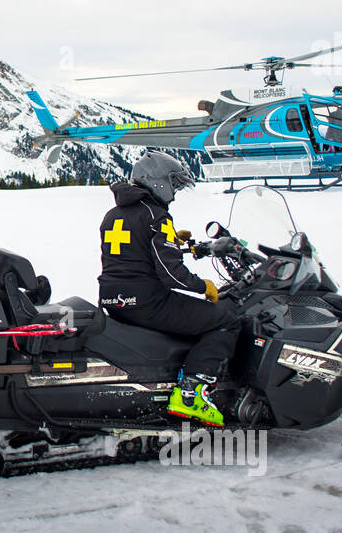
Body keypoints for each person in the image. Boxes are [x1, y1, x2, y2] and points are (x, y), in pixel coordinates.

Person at [97, 151, 240, 426]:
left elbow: (135, 253)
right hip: (147, 301)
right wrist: (203, 286)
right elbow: (170, 274)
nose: (174, 192)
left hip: (115, 299)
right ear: (158, 182)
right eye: (174, 184)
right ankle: (190, 395)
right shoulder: (156, 215)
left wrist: (176, 243)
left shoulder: (113, 214)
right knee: (225, 321)